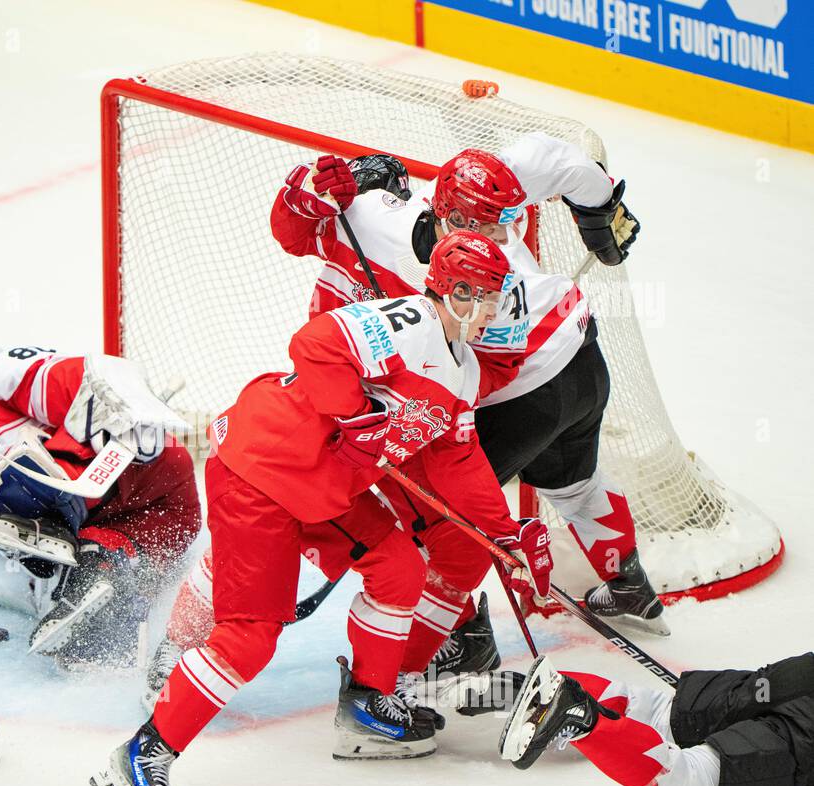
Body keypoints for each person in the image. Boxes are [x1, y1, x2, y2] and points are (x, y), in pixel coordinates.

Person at [92, 231, 555, 786]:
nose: (495, 313)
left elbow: (456, 460)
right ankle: (141, 754)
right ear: (457, 291)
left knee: (401, 568)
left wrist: (506, 536)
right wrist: (354, 413)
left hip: (320, 486)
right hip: (263, 468)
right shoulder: (409, 322)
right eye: (489, 298)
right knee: (250, 638)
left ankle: (368, 701)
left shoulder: (462, 370)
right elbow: (312, 345)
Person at [270, 137, 663, 634]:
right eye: (489, 223)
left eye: (503, 222)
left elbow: (465, 387)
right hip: (580, 358)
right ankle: (629, 584)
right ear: (451, 215)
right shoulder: (480, 184)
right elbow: (563, 161)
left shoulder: (454, 268)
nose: (502, 236)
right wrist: (601, 207)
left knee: (434, 521)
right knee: (574, 484)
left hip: (524, 395)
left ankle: (463, 633)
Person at [0, 333, 201, 664]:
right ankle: (101, 597)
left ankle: (85, 570)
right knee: (95, 561)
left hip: (145, 467)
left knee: (16, 492)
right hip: (160, 518)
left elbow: (65, 379)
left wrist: (124, 398)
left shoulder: (4, 385)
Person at [500, 652, 814, 786]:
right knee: (683, 783)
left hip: (798, 675)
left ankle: (512, 689)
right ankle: (582, 716)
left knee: (660, 712)